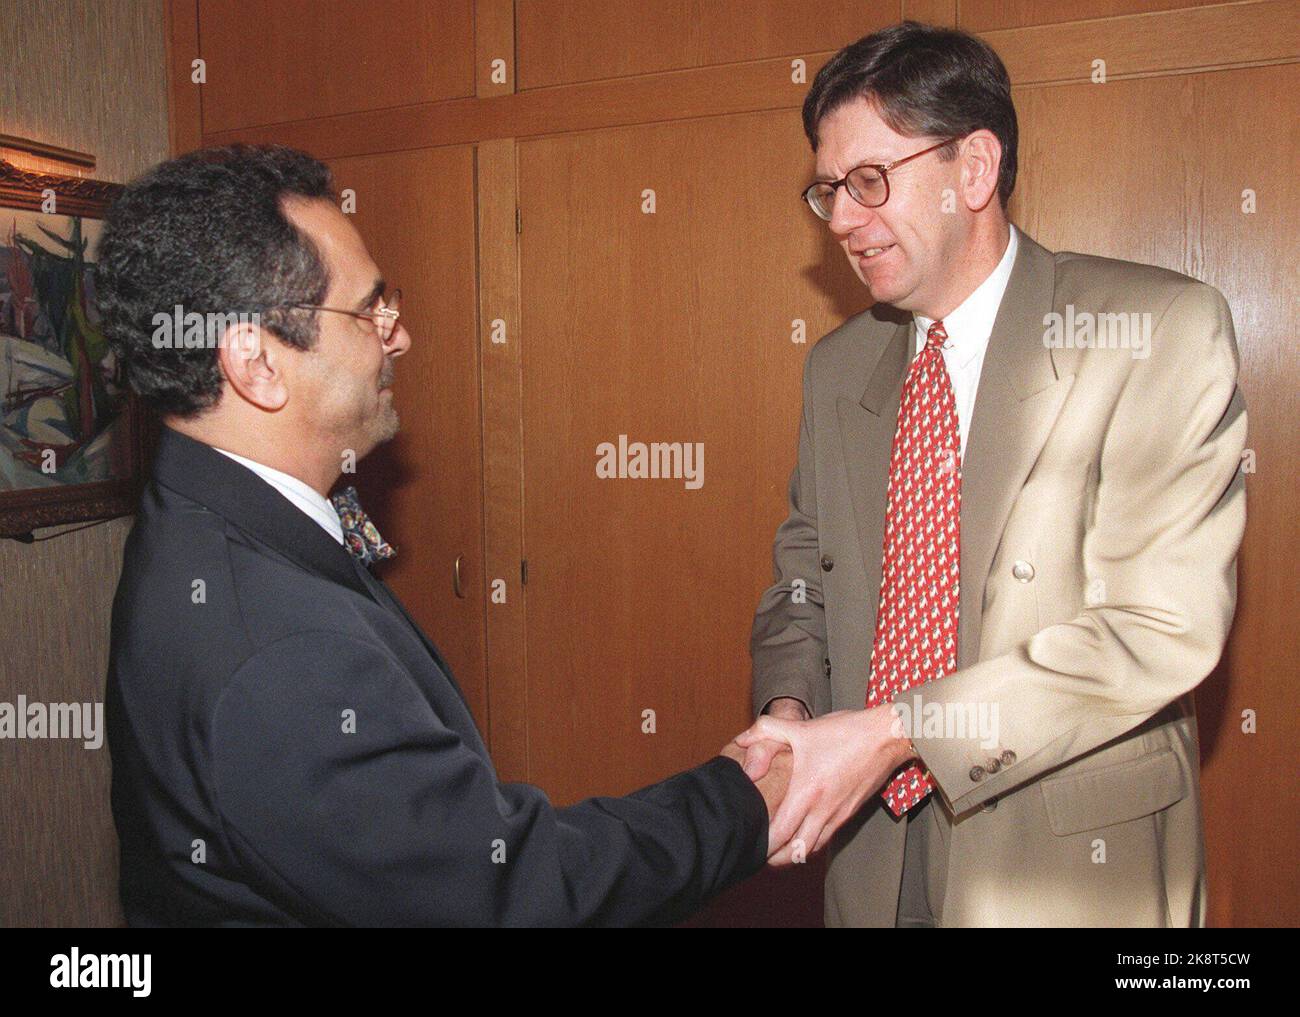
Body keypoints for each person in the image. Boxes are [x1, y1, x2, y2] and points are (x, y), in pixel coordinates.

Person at [97, 144, 791, 927]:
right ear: (256, 363)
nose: (399, 338)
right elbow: (513, 896)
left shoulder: (199, 510)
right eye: (367, 311)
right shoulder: (279, 651)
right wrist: (741, 801)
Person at [739, 21, 1245, 927]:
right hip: (871, 852)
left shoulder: (1155, 331)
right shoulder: (836, 366)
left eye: (869, 180)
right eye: (828, 190)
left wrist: (896, 732)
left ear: (974, 169)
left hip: (1067, 866)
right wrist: (792, 715)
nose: (843, 219)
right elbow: (803, 570)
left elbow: (1162, 627)